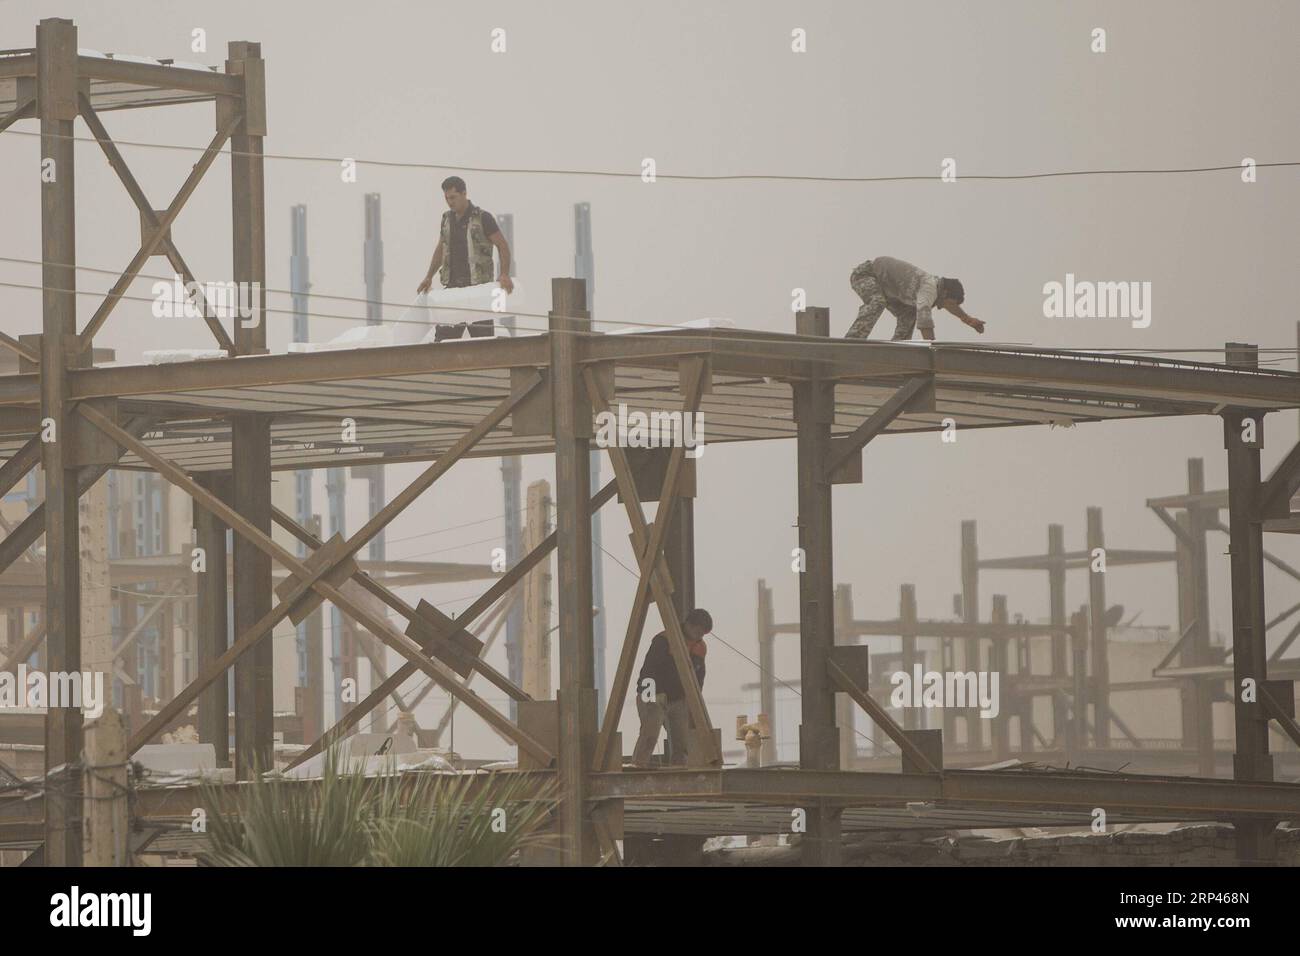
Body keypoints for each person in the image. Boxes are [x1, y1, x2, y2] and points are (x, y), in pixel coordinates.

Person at [631, 608, 713, 768]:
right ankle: (638, 766)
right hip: (653, 694)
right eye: (697, 631)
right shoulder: (664, 640)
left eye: (702, 633)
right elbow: (648, 670)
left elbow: (698, 678)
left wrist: (693, 701)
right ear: (689, 624)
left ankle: (679, 770)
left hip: (678, 700)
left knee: (681, 741)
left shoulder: (700, 647)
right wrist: (651, 698)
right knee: (649, 734)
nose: (699, 636)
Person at [846, 255, 984, 341]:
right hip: (866, 274)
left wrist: (967, 319)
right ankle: (852, 341)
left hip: (888, 288)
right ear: (944, 293)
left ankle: (898, 351)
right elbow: (925, 320)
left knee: (909, 313)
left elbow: (951, 306)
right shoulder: (929, 289)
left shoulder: (935, 287)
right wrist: (931, 349)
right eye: (947, 302)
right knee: (878, 302)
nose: (942, 307)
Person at [417, 176, 514, 294]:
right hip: (453, 288)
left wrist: (504, 274)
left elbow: (502, 245)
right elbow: (441, 249)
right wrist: (429, 277)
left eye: (453, 197)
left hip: (478, 288)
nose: (450, 202)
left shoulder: (482, 218)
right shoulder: (447, 220)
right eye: (446, 198)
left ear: (464, 193)